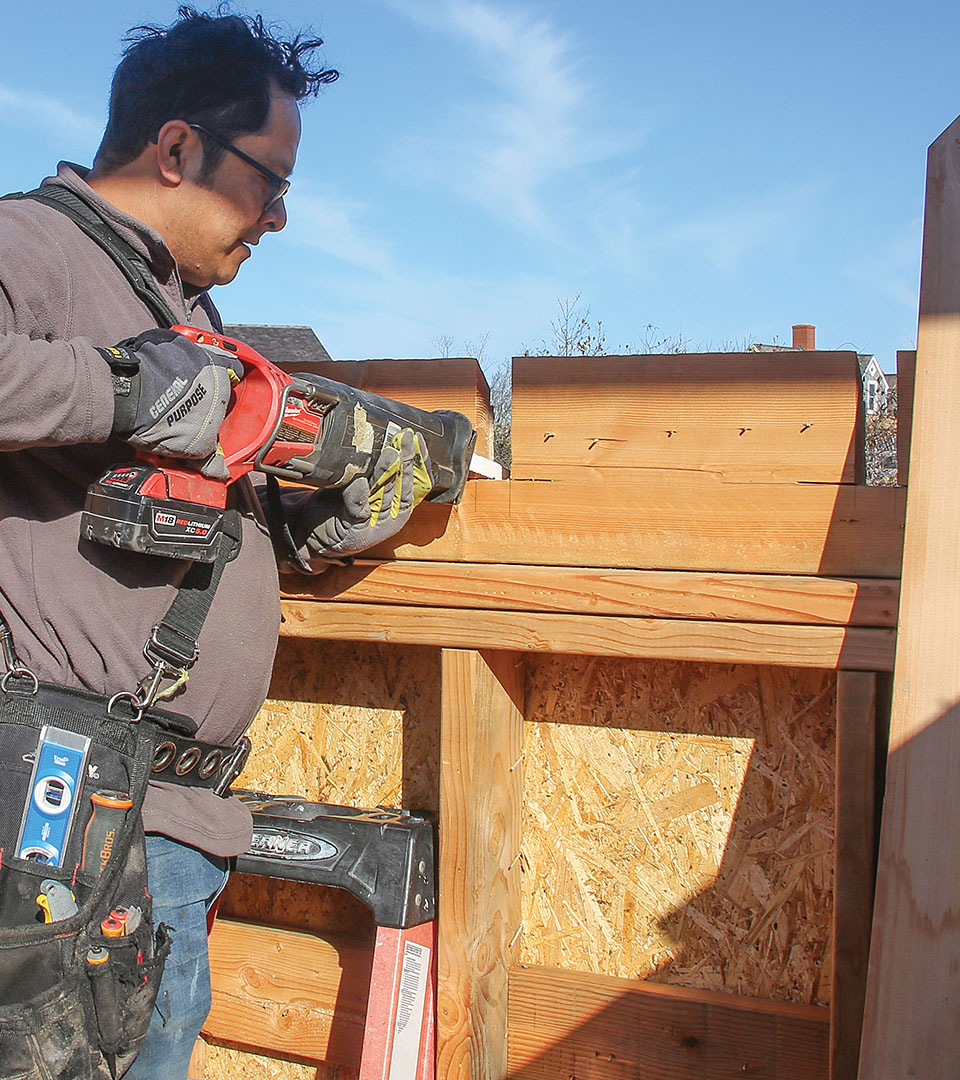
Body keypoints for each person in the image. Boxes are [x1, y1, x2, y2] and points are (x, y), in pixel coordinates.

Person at [0, 8, 424, 1077]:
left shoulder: (191, 320)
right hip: (49, 814)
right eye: (269, 181)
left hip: (164, 824)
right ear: (179, 148)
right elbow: (118, 404)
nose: (278, 215)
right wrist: (132, 388)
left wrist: (314, 525)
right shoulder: (30, 245)